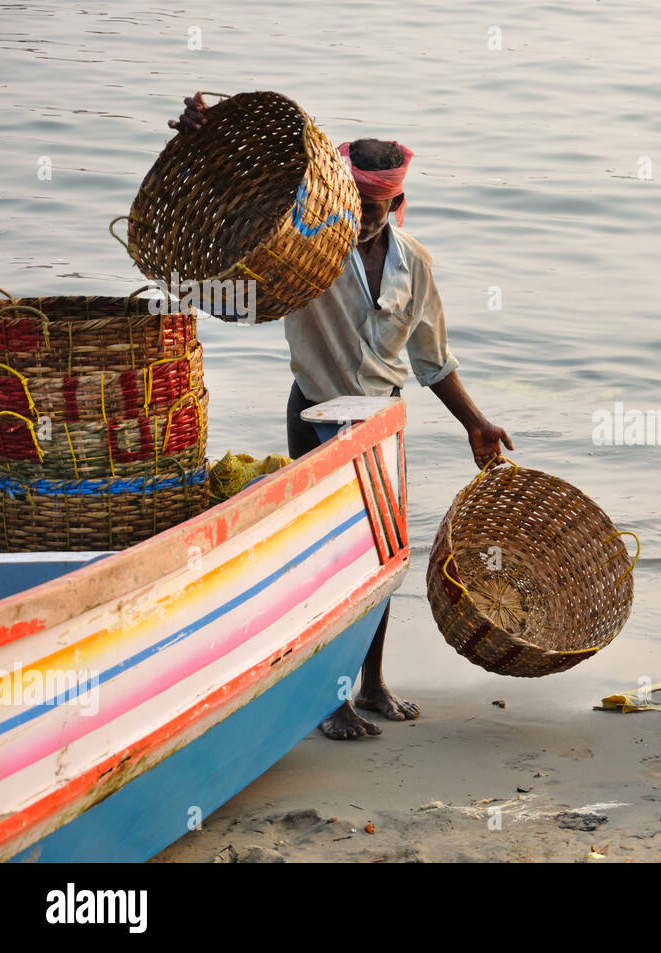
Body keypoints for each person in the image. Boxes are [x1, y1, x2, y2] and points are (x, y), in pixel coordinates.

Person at [171, 95, 514, 740]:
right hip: (315, 415)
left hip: (380, 424)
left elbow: (432, 359)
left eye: (372, 210)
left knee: (383, 560)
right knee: (324, 561)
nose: (357, 219)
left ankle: (372, 684)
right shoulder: (304, 250)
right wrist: (206, 141)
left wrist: (475, 423)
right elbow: (242, 215)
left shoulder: (415, 264)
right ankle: (328, 701)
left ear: (396, 202)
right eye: (349, 205)